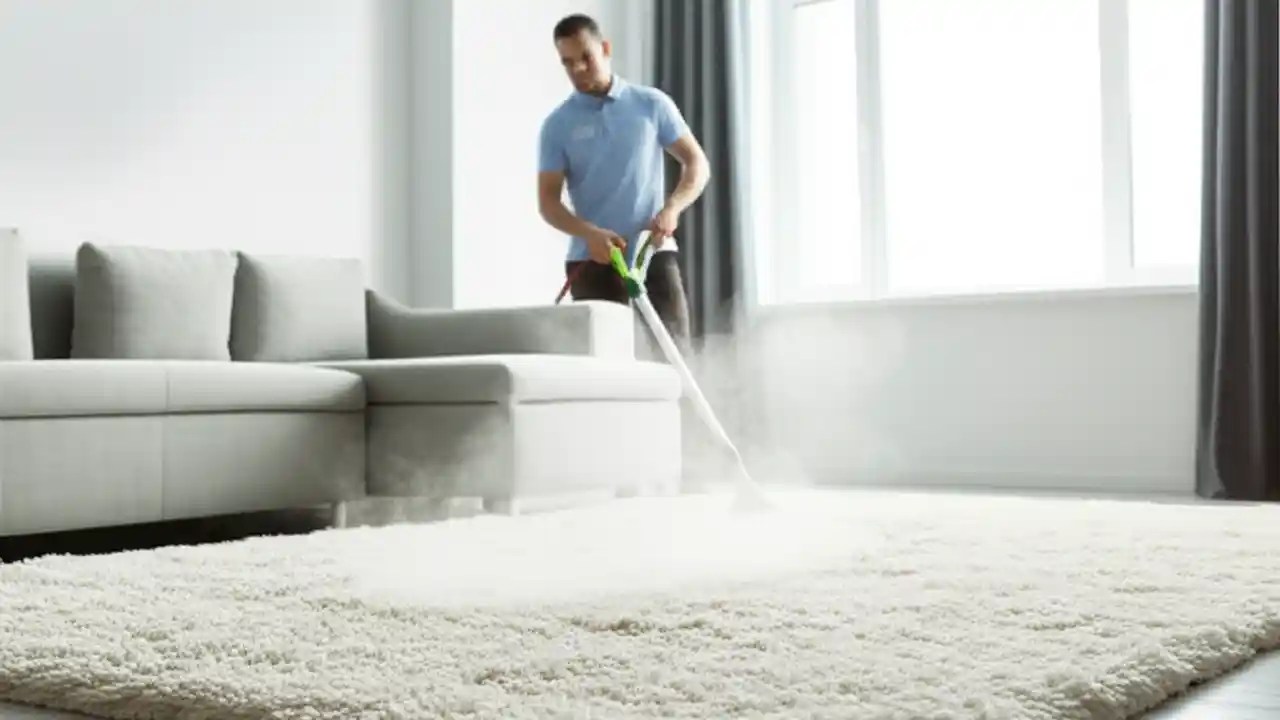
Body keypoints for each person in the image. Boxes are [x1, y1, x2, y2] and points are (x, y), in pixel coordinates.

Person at [536, 13, 710, 351]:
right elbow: (548, 203)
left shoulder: (651, 105)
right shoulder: (557, 126)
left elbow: (697, 164)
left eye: (585, 57)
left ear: (605, 48)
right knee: (606, 368)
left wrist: (673, 208)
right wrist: (590, 234)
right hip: (592, 260)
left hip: (652, 251)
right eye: (568, 63)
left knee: (676, 355)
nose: (579, 70)